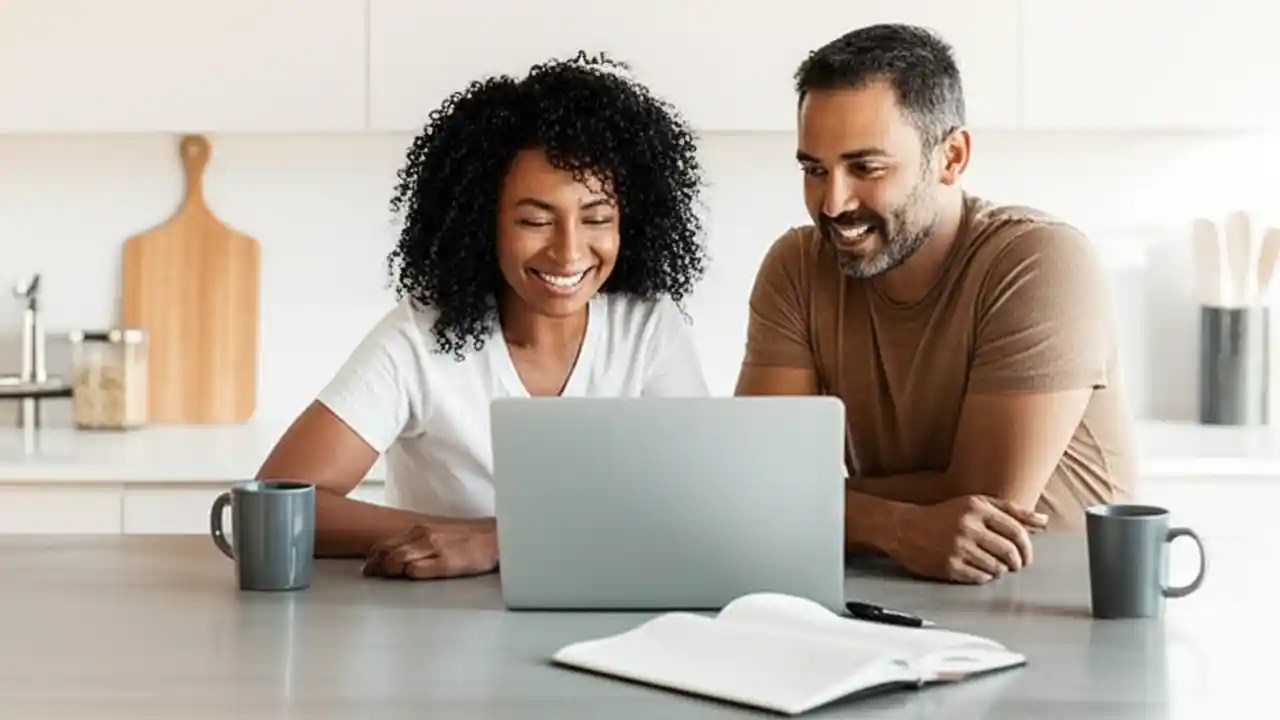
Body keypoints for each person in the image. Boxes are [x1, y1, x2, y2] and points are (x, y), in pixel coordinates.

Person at [255, 52, 710, 580]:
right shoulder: (420, 339)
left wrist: (500, 540)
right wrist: (460, 537)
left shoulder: (648, 331)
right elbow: (278, 504)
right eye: (535, 220)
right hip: (434, 628)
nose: (568, 253)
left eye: (596, 219)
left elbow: (697, 510)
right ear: (480, 222)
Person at [736, 24, 1136, 584]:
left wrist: (812, 500)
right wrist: (894, 526)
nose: (832, 203)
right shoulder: (797, 267)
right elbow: (749, 482)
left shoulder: (1040, 262)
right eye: (814, 170)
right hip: (885, 594)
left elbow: (983, 507)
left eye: (867, 168)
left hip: (1056, 608)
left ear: (950, 157)